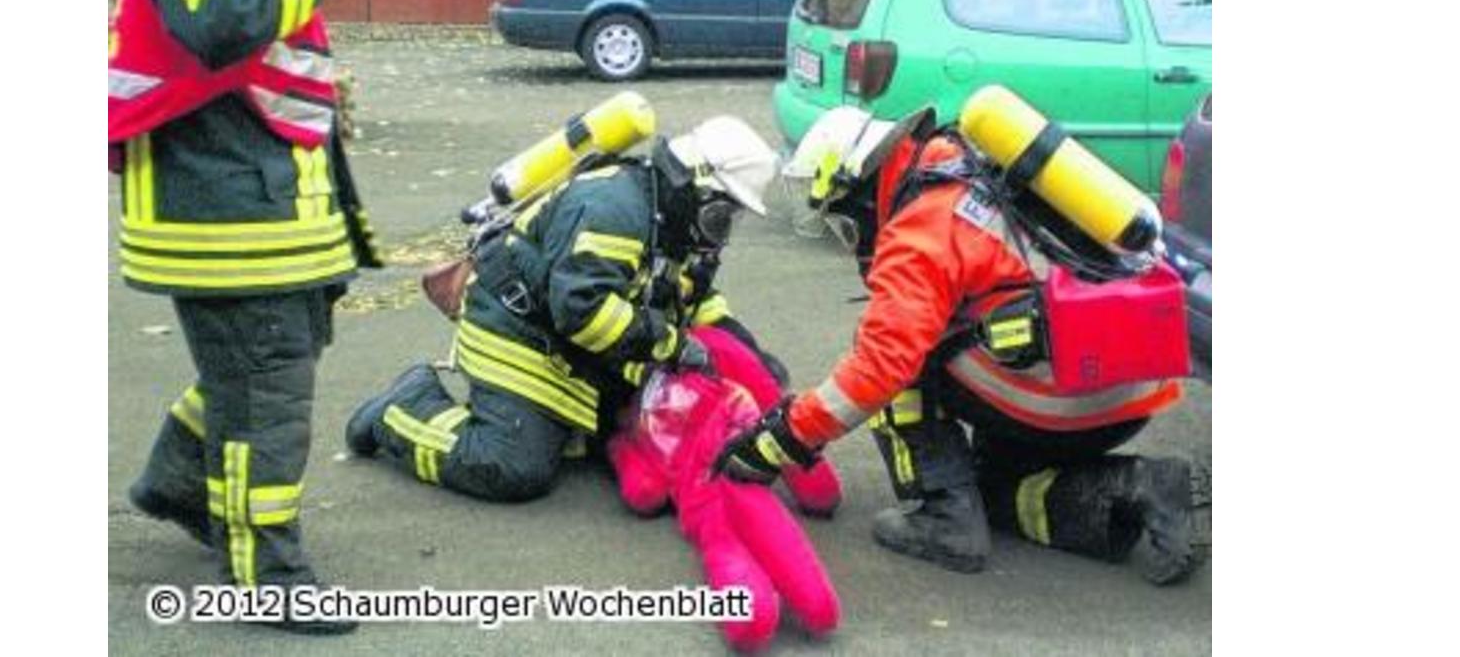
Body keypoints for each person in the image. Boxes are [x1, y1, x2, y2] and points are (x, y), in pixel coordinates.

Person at [108, 0, 379, 634]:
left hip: (251, 214)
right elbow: (229, 15)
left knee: (260, 367)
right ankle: (270, 568)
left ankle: (179, 483)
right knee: (267, 390)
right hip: (224, 219)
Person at [713, 106, 1201, 585]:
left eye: (841, 220)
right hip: (1131, 386)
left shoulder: (919, 229)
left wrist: (780, 441)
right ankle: (1145, 488)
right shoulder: (969, 165)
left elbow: (879, 368)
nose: (850, 237)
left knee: (890, 359)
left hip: (1065, 395)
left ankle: (944, 518)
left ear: (859, 190)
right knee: (999, 493)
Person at [346, 117, 781, 503]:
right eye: (724, 214)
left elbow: (690, 298)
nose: (722, 232)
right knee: (513, 467)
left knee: (643, 433)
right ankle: (402, 409)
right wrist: (672, 345)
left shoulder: (668, 218)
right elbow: (582, 310)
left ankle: (569, 426)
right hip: (513, 333)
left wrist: (748, 356)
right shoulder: (614, 209)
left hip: (570, 345)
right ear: (697, 187)